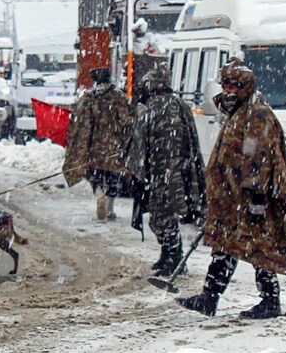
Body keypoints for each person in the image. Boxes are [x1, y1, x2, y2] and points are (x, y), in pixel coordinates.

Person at [177, 61, 286, 318]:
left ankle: (270, 300)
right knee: (225, 244)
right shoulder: (238, 111)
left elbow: (258, 156)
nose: (228, 90)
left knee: (259, 247)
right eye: (225, 84)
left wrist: (256, 195)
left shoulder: (257, 114)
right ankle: (210, 297)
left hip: (249, 197)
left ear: (246, 87)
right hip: (230, 197)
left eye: (234, 85)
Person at [126, 66, 206, 276]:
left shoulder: (150, 109)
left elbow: (138, 146)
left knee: (160, 216)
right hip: (181, 170)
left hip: (161, 172)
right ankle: (170, 255)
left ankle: (173, 257)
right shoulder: (180, 105)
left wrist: (135, 170)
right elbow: (191, 139)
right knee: (168, 214)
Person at [62, 67, 134, 221]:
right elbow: (127, 121)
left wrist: (79, 145)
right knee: (113, 177)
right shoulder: (119, 96)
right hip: (114, 146)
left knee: (95, 175)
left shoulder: (88, 97)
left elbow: (80, 123)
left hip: (93, 146)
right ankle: (109, 208)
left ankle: (99, 194)